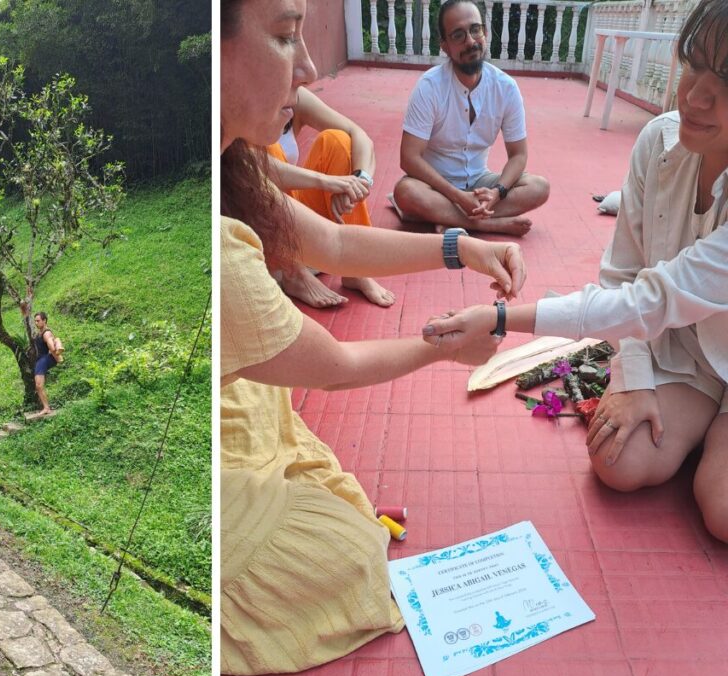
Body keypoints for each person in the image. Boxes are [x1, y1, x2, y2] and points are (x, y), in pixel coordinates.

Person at [220, 0, 525, 676]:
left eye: (302, 37)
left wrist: (460, 245)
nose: (307, 66)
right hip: (235, 418)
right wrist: (447, 345)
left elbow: (330, 237)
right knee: (356, 551)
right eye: (282, 38)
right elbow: (332, 366)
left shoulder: (237, 166)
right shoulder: (220, 242)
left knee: (345, 505)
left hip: (255, 397)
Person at [422, 0, 728, 542]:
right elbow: (623, 276)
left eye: (725, 80)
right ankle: (698, 426)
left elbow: (645, 301)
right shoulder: (658, 139)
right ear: (445, 46)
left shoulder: (503, 86)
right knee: (618, 461)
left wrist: (499, 316)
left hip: (686, 327)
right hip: (685, 348)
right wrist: (633, 376)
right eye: (692, 64)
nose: (694, 95)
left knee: (722, 511)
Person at [391, 0, 550, 236]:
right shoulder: (429, 87)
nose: (470, 41)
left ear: (485, 32)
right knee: (405, 192)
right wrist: (457, 197)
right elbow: (409, 158)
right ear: (444, 46)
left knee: (539, 187)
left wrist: (497, 192)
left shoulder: (506, 88)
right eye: (458, 35)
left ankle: (447, 217)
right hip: (436, 186)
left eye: (475, 30)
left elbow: (519, 155)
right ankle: (486, 223)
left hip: (480, 182)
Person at [266, 86, 396, 308]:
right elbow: (254, 168)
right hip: (263, 228)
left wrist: (357, 183)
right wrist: (326, 181)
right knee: (270, 148)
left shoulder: (293, 95)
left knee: (337, 140)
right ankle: (293, 273)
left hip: (294, 217)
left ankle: (355, 266)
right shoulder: (239, 98)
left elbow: (359, 135)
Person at [30, 311, 62, 418]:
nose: (36, 323)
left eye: (38, 321)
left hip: (45, 359)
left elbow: (50, 343)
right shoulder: (41, 332)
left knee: (39, 385)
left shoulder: (46, 333)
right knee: (38, 386)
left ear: (44, 321)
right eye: (35, 321)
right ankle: (46, 407)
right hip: (41, 359)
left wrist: (55, 352)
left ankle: (46, 408)